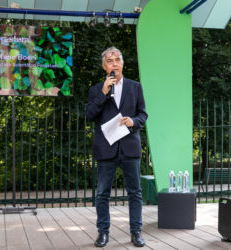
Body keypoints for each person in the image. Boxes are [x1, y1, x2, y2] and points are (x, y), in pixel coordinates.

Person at [86, 47, 148, 247]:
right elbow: (89, 115)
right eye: (110, 61)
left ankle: (136, 232)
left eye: (117, 59)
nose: (114, 63)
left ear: (123, 63)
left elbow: (143, 114)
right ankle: (103, 232)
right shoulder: (97, 89)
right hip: (106, 148)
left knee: (135, 192)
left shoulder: (135, 87)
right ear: (105, 66)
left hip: (130, 147)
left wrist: (134, 121)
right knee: (102, 193)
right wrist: (104, 93)